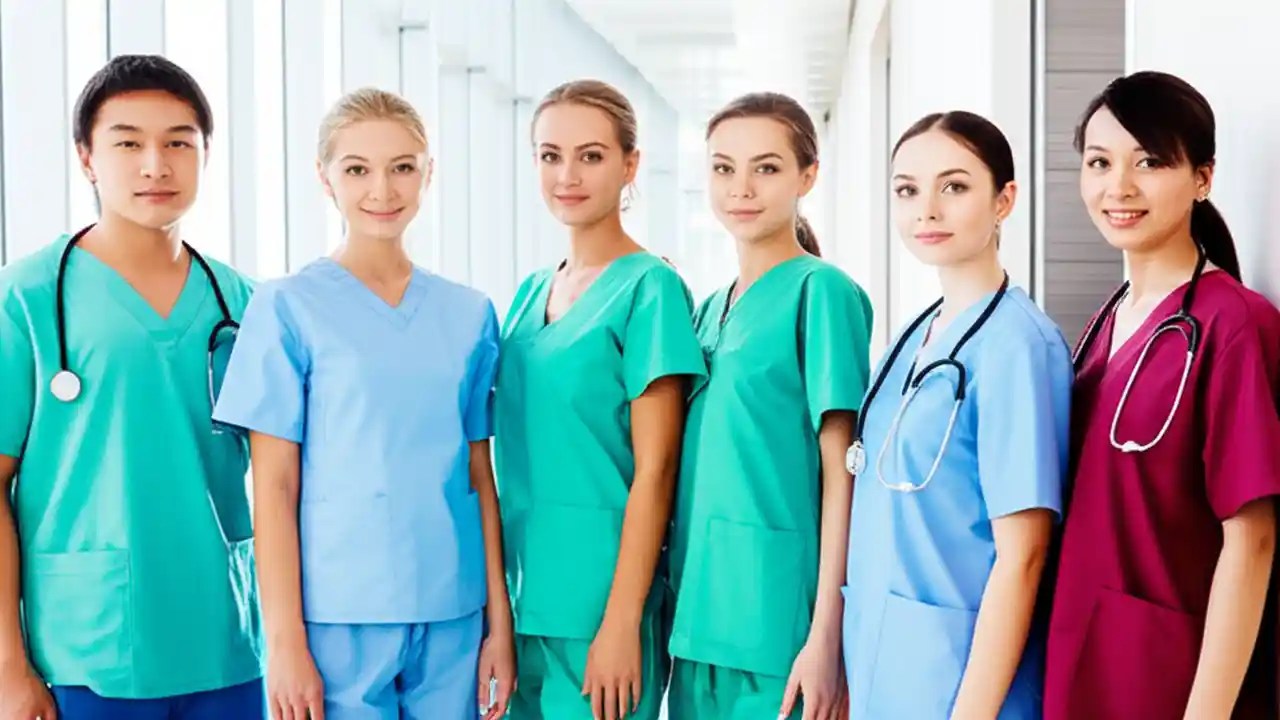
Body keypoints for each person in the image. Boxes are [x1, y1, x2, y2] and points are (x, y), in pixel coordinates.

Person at [211, 88, 515, 720]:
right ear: (325, 179)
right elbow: (273, 487)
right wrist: (284, 643)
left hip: (454, 611)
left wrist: (499, 626)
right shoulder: (286, 307)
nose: (382, 189)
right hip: (335, 618)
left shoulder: (469, 313)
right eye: (357, 169)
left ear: (429, 173)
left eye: (403, 167)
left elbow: (480, 475)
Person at [0, 55, 262, 718]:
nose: (155, 165)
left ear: (205, 155)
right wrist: (7, 665)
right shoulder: (27, 298)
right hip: (87, 651)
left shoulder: (244, 304)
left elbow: (286, 478)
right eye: (127, 144)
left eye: (178, 143)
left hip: (227, 640)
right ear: (86, 158)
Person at [1044, 70, 1280, 720]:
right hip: (1081, 657)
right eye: (1100, 162)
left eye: (1149, 161)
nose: (1118, 186)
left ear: (1203, 177)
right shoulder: (1106, 321)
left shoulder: (1235, 324)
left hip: (1168, 681)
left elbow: (1253, 538)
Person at [840, 110, 1072, 719]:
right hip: (884, 665)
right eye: (907, 190)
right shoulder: (913, 335)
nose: (927, 210)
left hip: (961, 684)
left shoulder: (1018, 346)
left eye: (955, 186)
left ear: (1004, 200)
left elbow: (1024, 556)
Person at [494, 79, 706, 720]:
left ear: (630, 165)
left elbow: (657, 470)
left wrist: (621, 622)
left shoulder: (650, 288)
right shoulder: (530, 293)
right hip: (525, 598)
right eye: (550, 155)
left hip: (600, 607)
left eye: (590, 156)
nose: (567, 175)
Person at [664, 91, 870, 720]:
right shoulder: (707, 308)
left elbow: (843, 473)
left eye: (767, 168)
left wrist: (827, 632)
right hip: (697, 613)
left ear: (808, 176)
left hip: (777, 618)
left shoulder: (822, 292)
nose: (742, 188)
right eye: (724, 168)